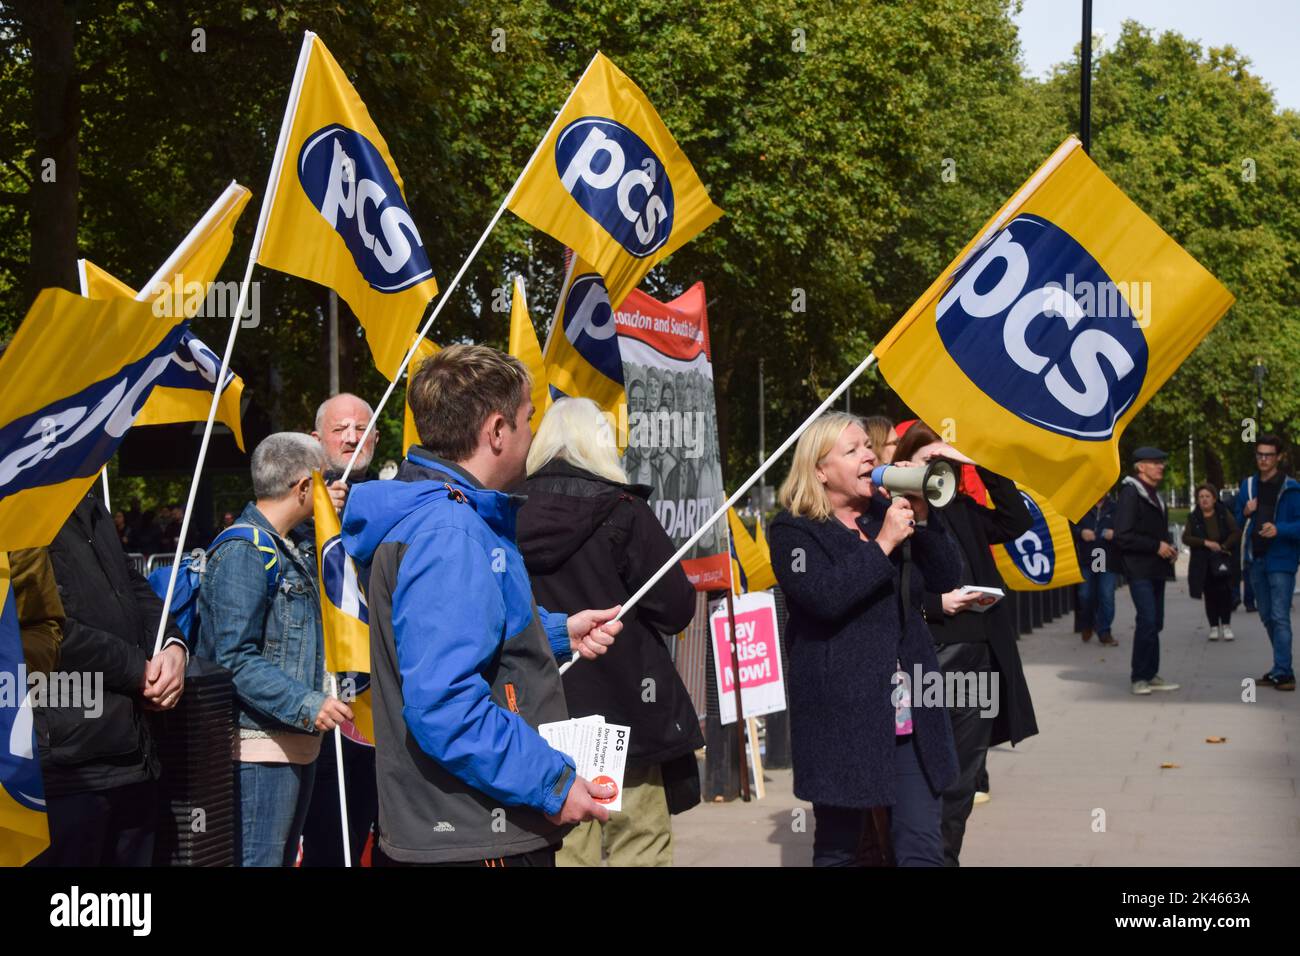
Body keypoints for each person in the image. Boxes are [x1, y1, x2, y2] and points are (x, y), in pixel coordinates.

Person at [341, 344, 624, 866]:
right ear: (496, 431)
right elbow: (445, 705)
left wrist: (556, 633)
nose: (532, 435)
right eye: (526, 420)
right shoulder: (450, 532)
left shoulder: (434, 515)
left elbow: (449, 633)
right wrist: (554, 783)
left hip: (457, 826)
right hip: (472, 833)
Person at [767, 412, 960, 867]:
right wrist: (883, 546)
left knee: (922, 846)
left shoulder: (885, 513)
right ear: (819, 469)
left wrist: (925, 518)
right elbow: (824, 597)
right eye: (851, 451)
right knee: (839, 849)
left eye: (867, 449)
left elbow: (947, 576)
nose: (868, 456)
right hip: (841, 716)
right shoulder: (793, 531)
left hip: (911, 709)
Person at [518, 398, 702, 867]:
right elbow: (676, 607)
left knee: (565, 848)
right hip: (628, 707)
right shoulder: (625, 511)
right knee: (639, 842)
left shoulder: (505, 510)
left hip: (541, 708)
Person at [196, 433, 352, 867]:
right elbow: (233, 658)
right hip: (256, 747)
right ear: (303, 487)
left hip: (292, 740)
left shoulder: (293, 545)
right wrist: (306, 702)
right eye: (322, 482)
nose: (327, 490)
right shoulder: (244, 549)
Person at [893, 421, 1038, 866]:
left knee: (964, 779)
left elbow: (1016, 520)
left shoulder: (959, 508)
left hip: (978, 655)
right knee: (926, 772)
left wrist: (982, 464)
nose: (935, 474)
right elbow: (896, 588)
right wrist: (937, 604)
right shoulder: (893, 516)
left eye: (941, 465)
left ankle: (943, 858)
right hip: (931, 656)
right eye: (925, 463)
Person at [32, 493, 188, 866]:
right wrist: (138, 669)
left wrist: (173, 645)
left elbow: (131, 584)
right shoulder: (17, 503)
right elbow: (42, 627)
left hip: (134, 755)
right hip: (67, 767)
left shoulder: (85, 496)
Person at [299, 392, 381, 867]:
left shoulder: (392, 495)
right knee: (331, 836)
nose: (352, 437)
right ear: (316, 439)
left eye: (361, 428)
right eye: (340, 429)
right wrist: (312, 516)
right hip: (323, 699)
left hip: (382, 701)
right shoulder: (295, 496)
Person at [1235, 434, 1299, 691]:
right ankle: (1280, 667)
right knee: (1266, 615)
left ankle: (1284, 672)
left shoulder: (1291, 488)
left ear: (1278, 457)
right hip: (1256, 558)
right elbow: (1237, 524)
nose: (1263, 459)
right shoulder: (1248, 486)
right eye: (1260, 454)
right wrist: (1245, 512)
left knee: (1279, 615)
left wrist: (1279, 529)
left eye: (1269, 455)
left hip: (1282, 559)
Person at [1114, 446, 1180, 696]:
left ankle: (1151, 674)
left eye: (1161, 462)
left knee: (1156, 622)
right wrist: (1156, 546)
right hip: (1139, 569)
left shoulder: (1153, 494)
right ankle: (1139, 676)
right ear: (1140, 467)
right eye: (1155, 462)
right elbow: (1122, 535)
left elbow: (1153, 531)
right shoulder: (1131, 493)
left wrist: (1167, 546)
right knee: (1148, 620)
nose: (1160, 466)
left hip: (1155, 568)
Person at [1183, 483, 1241, 642]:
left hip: (1223, 559)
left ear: (1214, 499)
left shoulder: (1223, 514)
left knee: (1225, 594)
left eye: (1207, 496)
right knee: (1210, 595)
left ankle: (1227, 625)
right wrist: (1205, 543)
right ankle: (1214, 627)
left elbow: (1235, 531)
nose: (1204, 500)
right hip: (1203, 563)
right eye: (1201, 497)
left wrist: (1224, 546)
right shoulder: (1193, 517)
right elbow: (1186, 538)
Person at [1073, 494, 1120, 646]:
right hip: (1088, 558)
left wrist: (1115, 534)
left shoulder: (1115, 508)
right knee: (1085, 595)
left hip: (1107, 558)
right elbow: (1069, 527)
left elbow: (1127, 529)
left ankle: (1104, 631)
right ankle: (1087, 624)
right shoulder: (1081, 506)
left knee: (1106, 595)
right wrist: (1081, 533)